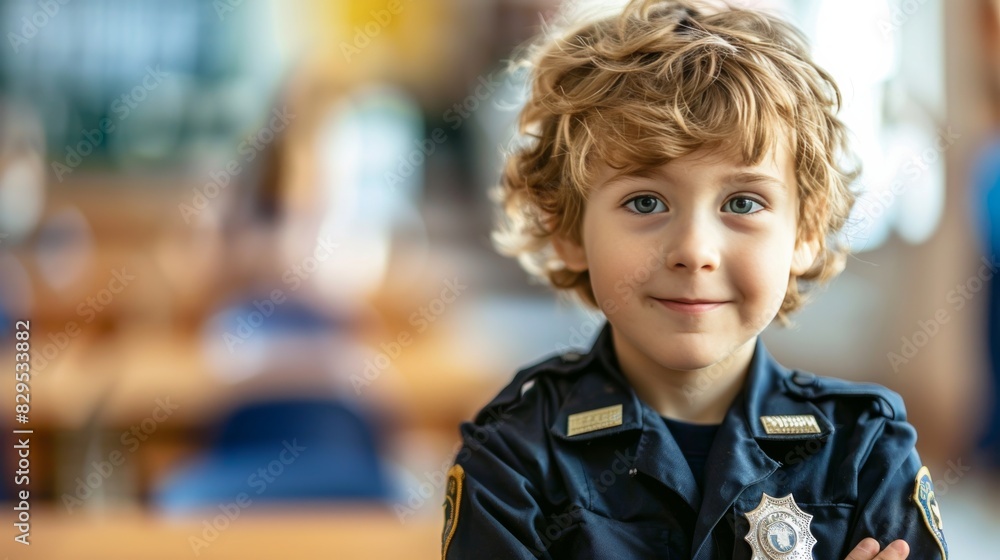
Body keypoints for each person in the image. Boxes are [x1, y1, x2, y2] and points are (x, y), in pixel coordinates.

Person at [441, 1, 949, 559]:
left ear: (805, 232)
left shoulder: (867, 451)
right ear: (566, 226)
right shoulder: (512, 460)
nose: (693, 251)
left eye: (742, 202)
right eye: (645, 201)